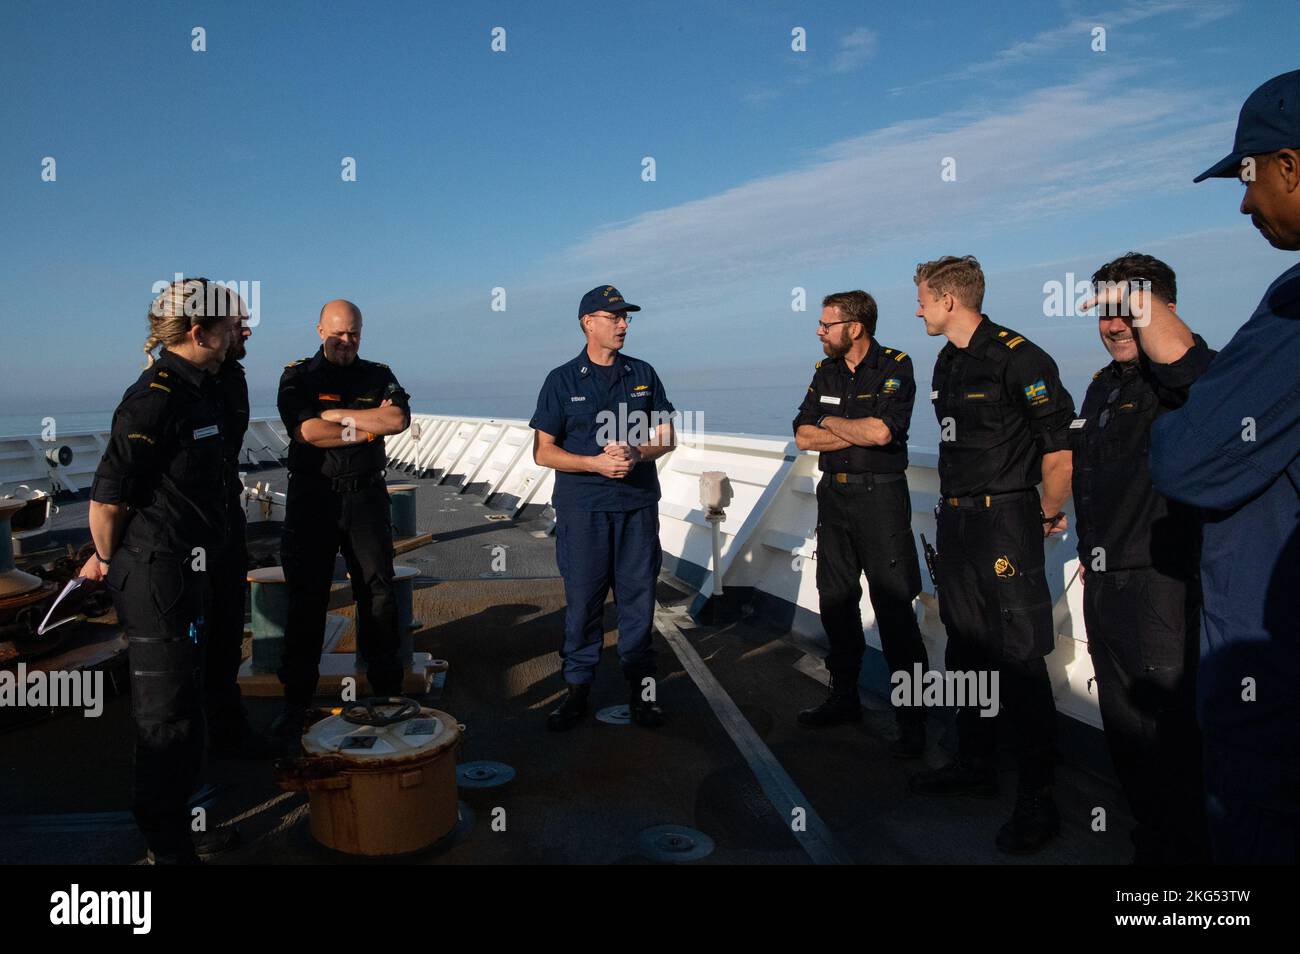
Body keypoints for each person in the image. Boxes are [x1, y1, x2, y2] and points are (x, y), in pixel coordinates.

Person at [1147, 69, 1300, 865]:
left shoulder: (1295, 303)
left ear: (1291, 166)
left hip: (1271, 672)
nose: (1246, 203)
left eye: (1249, 176)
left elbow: (1186, 459)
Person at [907, 255, 1075, 854]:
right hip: (957, 519)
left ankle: (1038, 797)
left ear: (950, 299)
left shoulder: (1020, 358)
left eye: (922, 297)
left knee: (1021, 655)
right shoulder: (949, 359)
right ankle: (974, 763)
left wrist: (1047, 512)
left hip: (1006, 521)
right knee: (965, 641)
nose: (917, 307)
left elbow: (1059, 449)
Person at [80, 277, 241, 863]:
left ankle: (179, 830)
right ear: (199, 332)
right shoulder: (155, 397)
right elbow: (108, 502)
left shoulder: (202, 389)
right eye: (230, 327)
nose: (237, 336)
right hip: (157, 576)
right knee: (165, 719)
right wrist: (104, 558)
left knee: (186, 706)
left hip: (187, 571)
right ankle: (166, 852)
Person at [1072, 253, 1213, 864]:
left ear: (1163, 310)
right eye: (1105, 312)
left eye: (1127, 310)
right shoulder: (1103, 385)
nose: (1113, 324)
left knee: (1172, 734)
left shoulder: (1187, 378)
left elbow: (1189, 371)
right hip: (1104, 583)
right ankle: (1152, 849)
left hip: (1162, 587)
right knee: (1125, 728)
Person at [530, 285, 676, 731]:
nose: (623, 324)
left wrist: (638, 454)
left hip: (636, 508)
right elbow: (543, 452)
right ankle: (576, 691)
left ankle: (641, 693)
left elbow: (667, 436)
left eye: (626, 317)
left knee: (639, 601)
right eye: (614, 317)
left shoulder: (644, 373)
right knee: (584, 603)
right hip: (583, 510)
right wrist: (593, 463)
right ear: (587, 323)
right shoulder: (562, 380)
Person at [792, 290, 930, 758]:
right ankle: (844, 697)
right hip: (834, 495)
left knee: (893, 609)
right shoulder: (823, 370)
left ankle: (912, 723)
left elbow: (883, 432)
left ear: (855, 327)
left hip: (881, 497)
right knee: (835, 599)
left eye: (826, 324)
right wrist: (847, 427)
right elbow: (801, 435)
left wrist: (830, 421)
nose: (819, 331)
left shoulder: (896, 365)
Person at [271, 299, 412, 737]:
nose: (346, 342)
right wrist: (367, 429)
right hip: (314, 498)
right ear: (319, 331)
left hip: (366, 497)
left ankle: (385, 692)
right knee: (307, 598)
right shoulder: (299, 375)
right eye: (338, 334)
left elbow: (398, 418)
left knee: (377, 592)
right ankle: (297, 702)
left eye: (353, 333)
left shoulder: (378, 373)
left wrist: (338, 417)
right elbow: (309, 431)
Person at [204, 288, 281, 758]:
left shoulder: (231, 378)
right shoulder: (169, 392)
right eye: (238, 324)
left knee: (228, 632)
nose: (247, 331)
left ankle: (232, 737)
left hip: (225, 521)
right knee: (194, 641)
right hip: (184, 535)